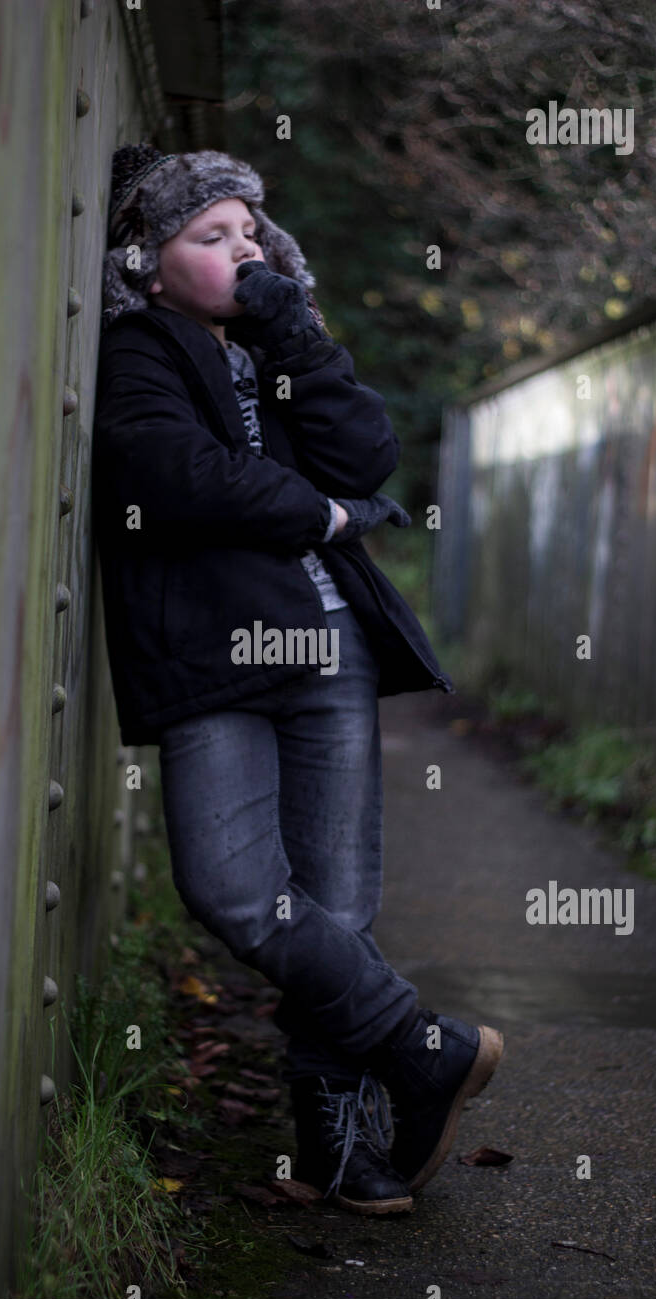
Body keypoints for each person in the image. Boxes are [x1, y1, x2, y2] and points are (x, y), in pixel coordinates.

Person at [92, 143, 504, 1216]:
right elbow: (166, 471)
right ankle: (427, 1045)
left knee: (333, 909)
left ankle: (337, 1152)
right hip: (215, 654)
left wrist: (294, 332)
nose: (242, 249)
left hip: (328, 647)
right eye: (209, 235)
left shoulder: (280, 343)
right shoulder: (140, 349)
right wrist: (315, 514)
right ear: (147, 262)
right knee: (232, 886)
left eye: (249, 231)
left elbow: (363, 453)